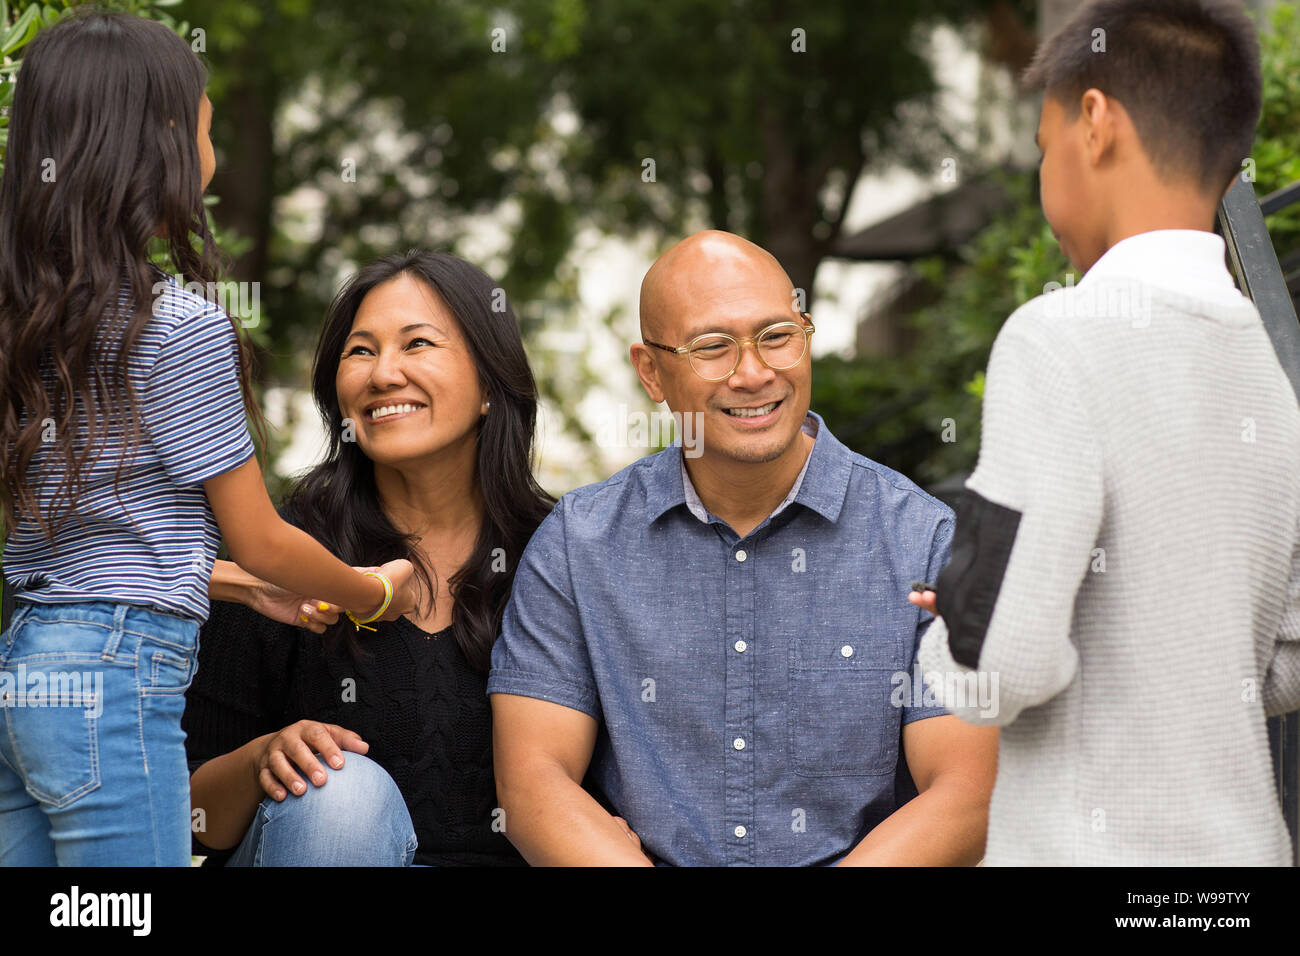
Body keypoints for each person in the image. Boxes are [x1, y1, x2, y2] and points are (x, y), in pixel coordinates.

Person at [0, 10, 418, 867]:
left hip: (28, 668)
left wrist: (232, 589)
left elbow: (92, 545)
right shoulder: (179, 327)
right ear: (163, 146)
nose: (212, 150)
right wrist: (371, 592)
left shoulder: (27, 324)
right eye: (207, 126)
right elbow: (260, 535)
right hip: (117, 682)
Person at [914, 0, 1300, 865]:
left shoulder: (1057, 339)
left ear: (1095, 125)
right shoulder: (1273, 373)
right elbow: (1283, 661)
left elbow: (997, 671)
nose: (1043, 174)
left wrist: (961, 621)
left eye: (1043, 148)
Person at [489, 230, 998, 866]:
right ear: (651, 372)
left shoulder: (924, 540)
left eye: (777, 336)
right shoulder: (579, 543)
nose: (754, 373)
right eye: (713, 347)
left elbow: (964, 795)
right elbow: (534, 785)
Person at [186, 250, 552, 866]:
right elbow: (190, 818)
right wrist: (262, 757)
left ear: (490, 383)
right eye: (360, 351)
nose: (383, 375)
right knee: (339, 790)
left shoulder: (561, 553)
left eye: (417, 344)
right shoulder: (283, 550)